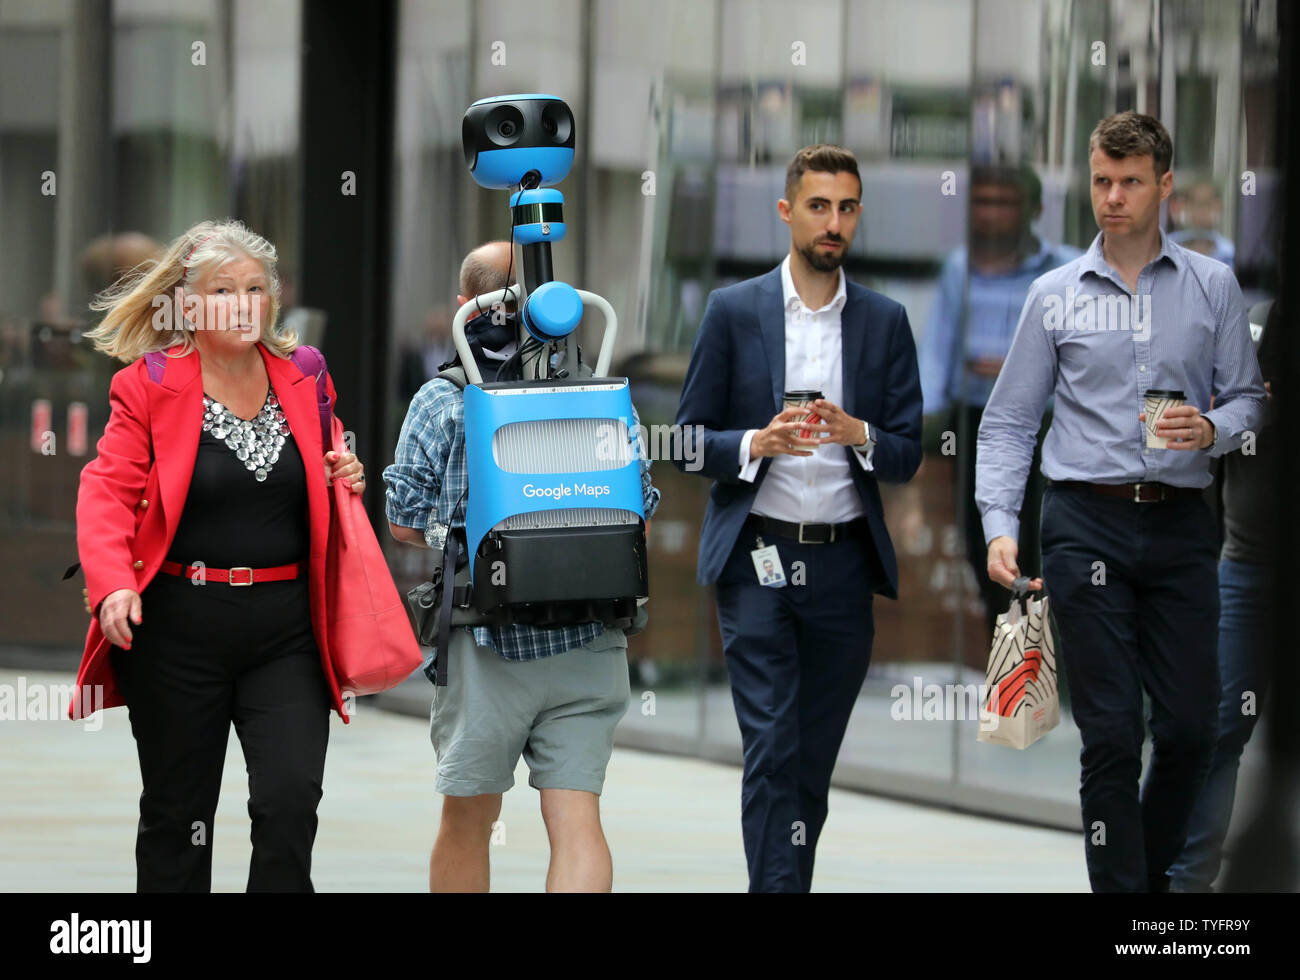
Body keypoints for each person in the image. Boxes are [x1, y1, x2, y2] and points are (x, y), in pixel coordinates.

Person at [976, 112, 1266, 893]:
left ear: (1164, 186)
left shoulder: (1212, 286)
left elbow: (1247, 401)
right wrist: (1000, 525)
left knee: (1187, 730)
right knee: (1108, 733)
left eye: (1131, 182)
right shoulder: (1055, 295)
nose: (1113, 197)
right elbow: (1007, 422)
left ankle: (1144, 884)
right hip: (1083, 522)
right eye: (1102, 181)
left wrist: (1208, 427)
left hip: (1179, 524)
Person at [73, 219, 368, 892]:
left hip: (287, 631)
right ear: (188, 302)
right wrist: (114, 582)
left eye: (256, 288)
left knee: (289, 805)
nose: (243, 302)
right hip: (178, 630)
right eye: (223, 289)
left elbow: (327, 455)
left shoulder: (306, 373)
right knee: (179, 819)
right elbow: (106, 489)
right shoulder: (148, 384)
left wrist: (346, 468)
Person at [673, 144, 923, 892]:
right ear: (787, 211)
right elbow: (687, 440)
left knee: (809, 764)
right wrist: (757, 442)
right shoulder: (734, 309)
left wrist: (861, 435)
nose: (833, 222)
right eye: (819, 206)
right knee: (773, 747)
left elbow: (909, 451)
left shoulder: (884, 320)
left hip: (843, 567)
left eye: (846, 207)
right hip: (757, 561)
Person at [383, 241, 660, 893]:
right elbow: (639, 513)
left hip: (485, 642)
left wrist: (458, 525)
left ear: (465, 308)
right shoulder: (600, 392)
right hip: (592, 636)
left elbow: (402, 521)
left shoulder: (442, 398)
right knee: (577, 819)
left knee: (468, 820)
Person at [917, 164, 1080, 636]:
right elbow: (938, 352)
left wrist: (1017, 364)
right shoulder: (958, 268)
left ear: (1033, 210)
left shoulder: (1065, 268)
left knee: (1045, 534)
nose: (991, 214)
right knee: (982, 539)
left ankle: (1055, 651)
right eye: (982, 203)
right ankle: (1013, 643)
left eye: (1004, 202)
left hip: (1051, 421)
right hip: (976, 417)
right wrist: (925, 427)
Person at [1167, 300, 1278, 891]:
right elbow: (1212, 422)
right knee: (1217, 728)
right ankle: (1185, 890)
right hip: (1249, 563)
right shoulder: (1258, 323)